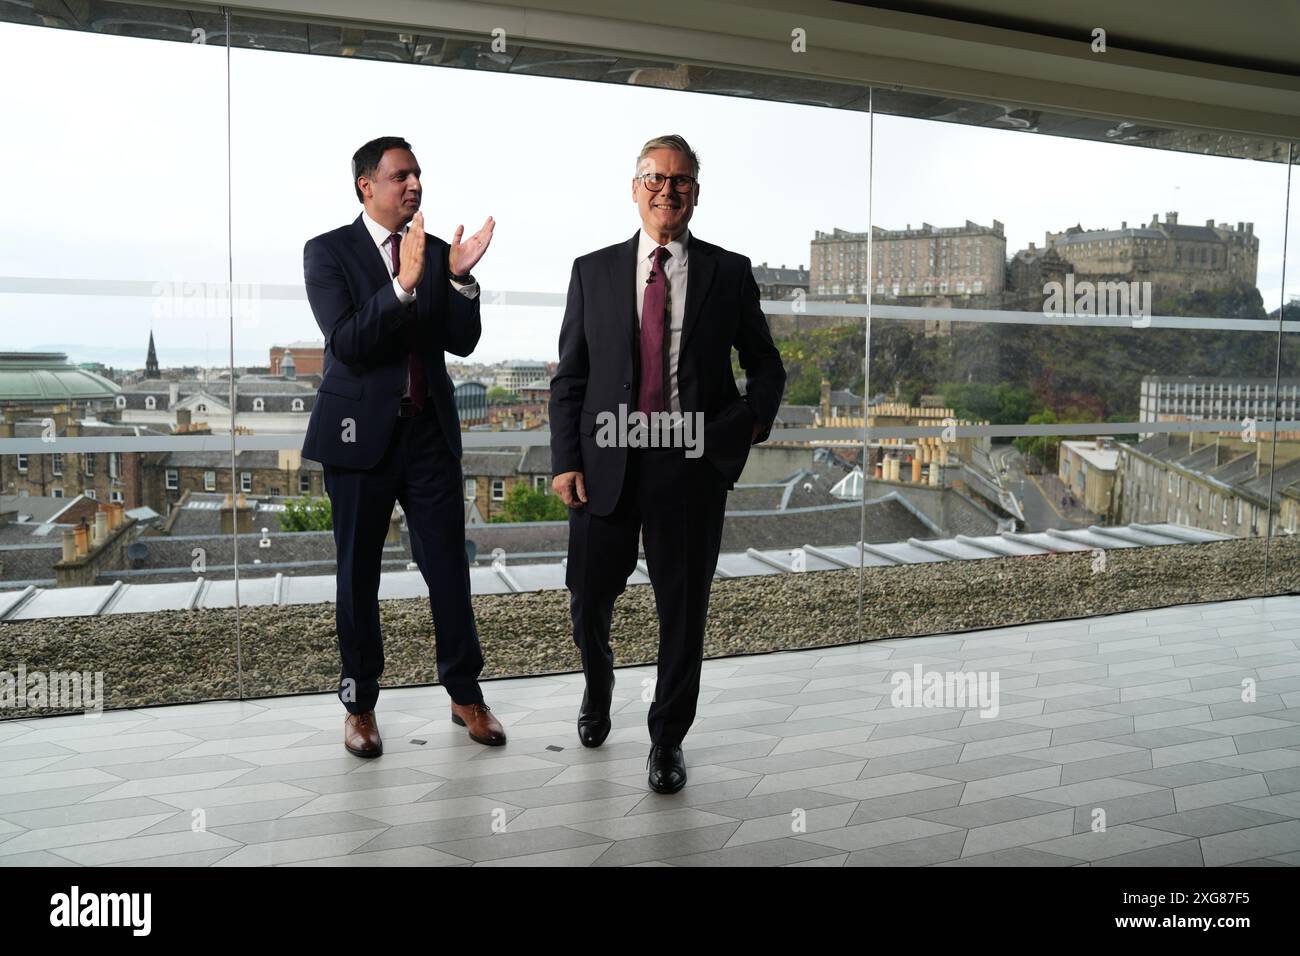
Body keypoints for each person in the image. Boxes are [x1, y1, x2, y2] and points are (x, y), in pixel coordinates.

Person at [549, 134, 786, 793]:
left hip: (690, 465)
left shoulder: (728, 272)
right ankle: (598, 688)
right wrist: (566, 460)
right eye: (655, 178)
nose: (667, 190)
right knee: (587, 598)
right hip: (605, 461)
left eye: (680, 181)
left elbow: (766, 365)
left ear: (695, 194)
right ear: (634, 188)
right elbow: (570, 379)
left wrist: (745, 426)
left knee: (683, 611)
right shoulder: (590, 271)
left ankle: (666, 740)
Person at [301, 135, 505, 758]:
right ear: (366, 185)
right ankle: (359, 705)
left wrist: (462, 282)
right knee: (357, 574)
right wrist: (403, 288)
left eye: (418, 175)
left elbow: (463, 343)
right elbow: (348, 342)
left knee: (448, 566)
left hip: (428, 438)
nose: (414, 186)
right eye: (400, 177)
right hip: (357, 440)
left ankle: (464, 693)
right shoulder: (327, 252)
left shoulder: (438, 251)